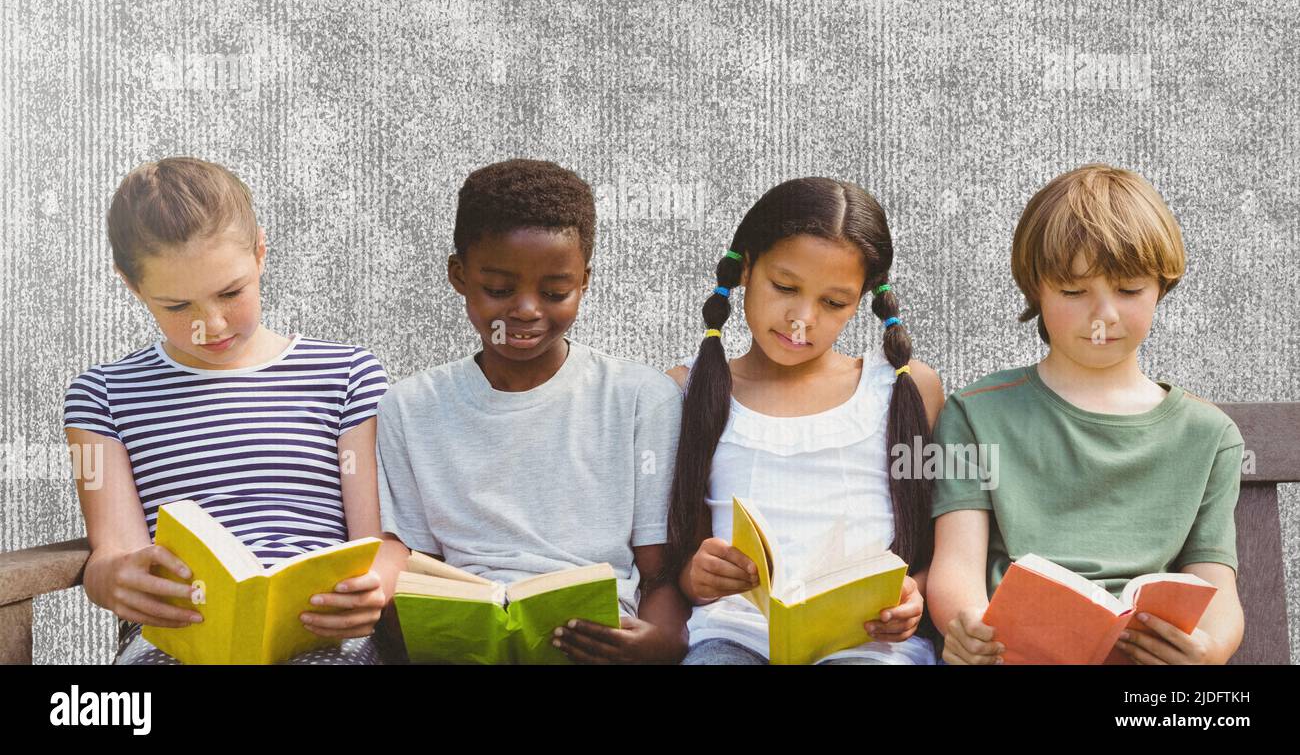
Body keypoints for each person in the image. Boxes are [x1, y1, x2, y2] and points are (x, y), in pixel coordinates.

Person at [63, 157, 406, 664]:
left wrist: (374, 587)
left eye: (230, 292)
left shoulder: (349, 374)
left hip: (322, 633)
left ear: (261, 253)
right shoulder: (102, 394)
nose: (213, 324)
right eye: (178, 307)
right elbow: (113, 552)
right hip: (182, 637)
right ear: (132, 286)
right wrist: (110, 579)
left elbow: (380, 540)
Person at [928, 163, 1245, 665]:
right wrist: (965, 624)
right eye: (1074, 292)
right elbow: (957, 565)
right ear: (1037, 290)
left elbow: (1216, 584)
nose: (1104, 317)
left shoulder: (1209, 435)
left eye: (1129, 290)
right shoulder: (976, 413)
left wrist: (1208, 649)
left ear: (1161, 287)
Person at [375, 158, 689, 663]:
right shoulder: (409, 407)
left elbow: (659, 572)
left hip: (594, 641)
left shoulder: (640, 396)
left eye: (555, 292)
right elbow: (417, 566)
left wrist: (663, 641)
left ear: (584, 281)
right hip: (466, 643)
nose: (525, 310)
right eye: (498, 289)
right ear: (458, 275)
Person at [664, 177, 945, 664]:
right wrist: (696, 576)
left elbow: (936, 540)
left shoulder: (904, 388)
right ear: (746, 268)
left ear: (862, 302)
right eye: (785, 287)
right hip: (736, 634)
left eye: (833, 303)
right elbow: (671, 556)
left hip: (868, 643)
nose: (801, 319)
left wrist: (913, 595)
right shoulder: (686, 392)